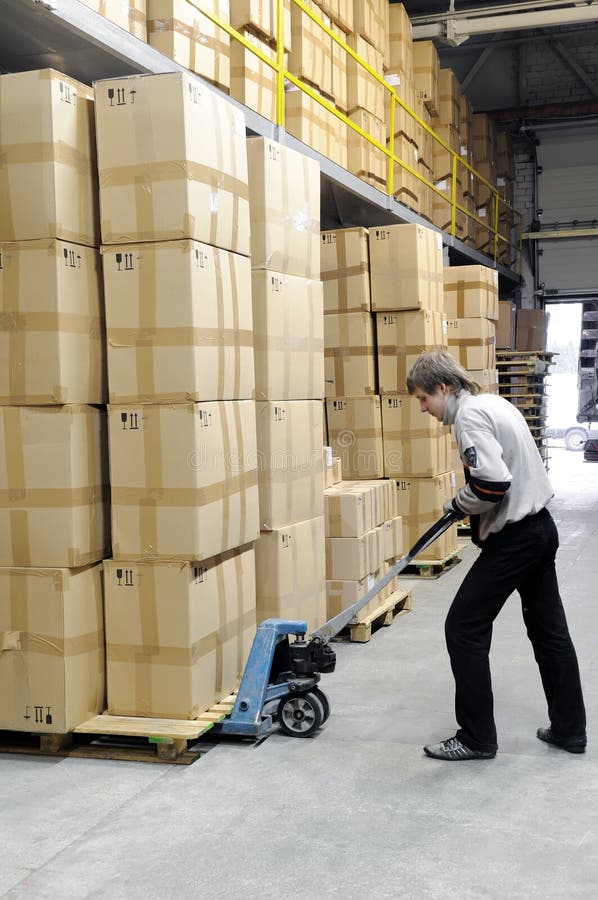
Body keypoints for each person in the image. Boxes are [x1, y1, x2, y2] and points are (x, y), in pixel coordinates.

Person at [406, 350, 587, 761]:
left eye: (423, 398)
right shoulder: (493, 402)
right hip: (541, 529)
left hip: (517, 539)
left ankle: (476, 738)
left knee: (463, 627)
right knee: (549, 632)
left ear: (443, 387)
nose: (423, 408)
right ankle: (569, 730)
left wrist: (459, 503)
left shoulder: (469, 417)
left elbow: (492, 484)